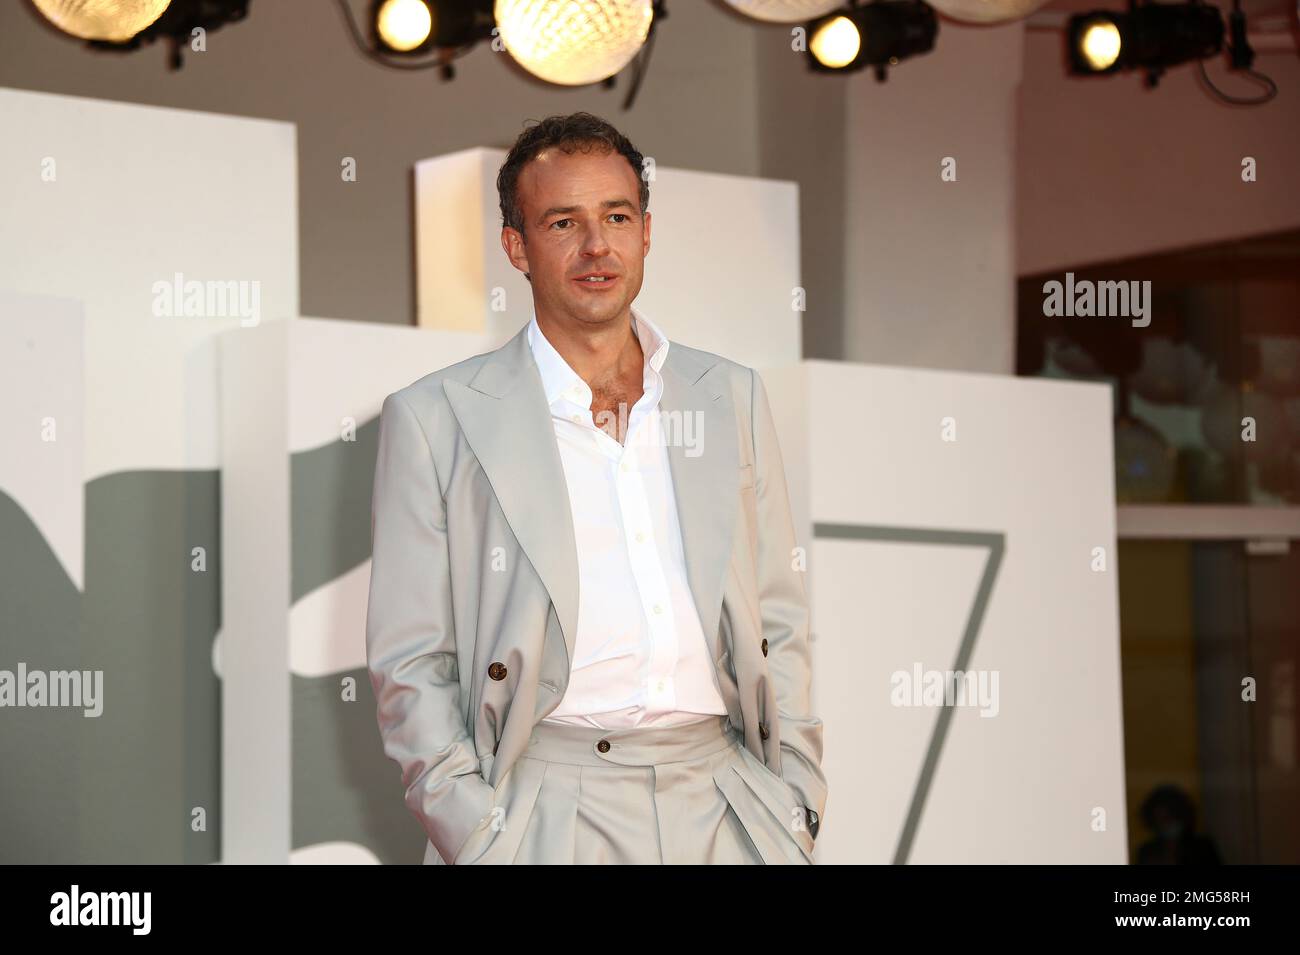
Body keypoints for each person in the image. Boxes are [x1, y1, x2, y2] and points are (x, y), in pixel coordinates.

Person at [365, 111, 826, 864]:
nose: (596, 246)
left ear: (647, 230)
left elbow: (781, 609)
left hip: (729, 802)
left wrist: (795, 800)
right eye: (562, 222)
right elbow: (409, 658)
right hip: (543, 810)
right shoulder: (435, 417)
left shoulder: (728, 395)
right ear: (516, 246)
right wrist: (476, 831)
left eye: (616, 216)